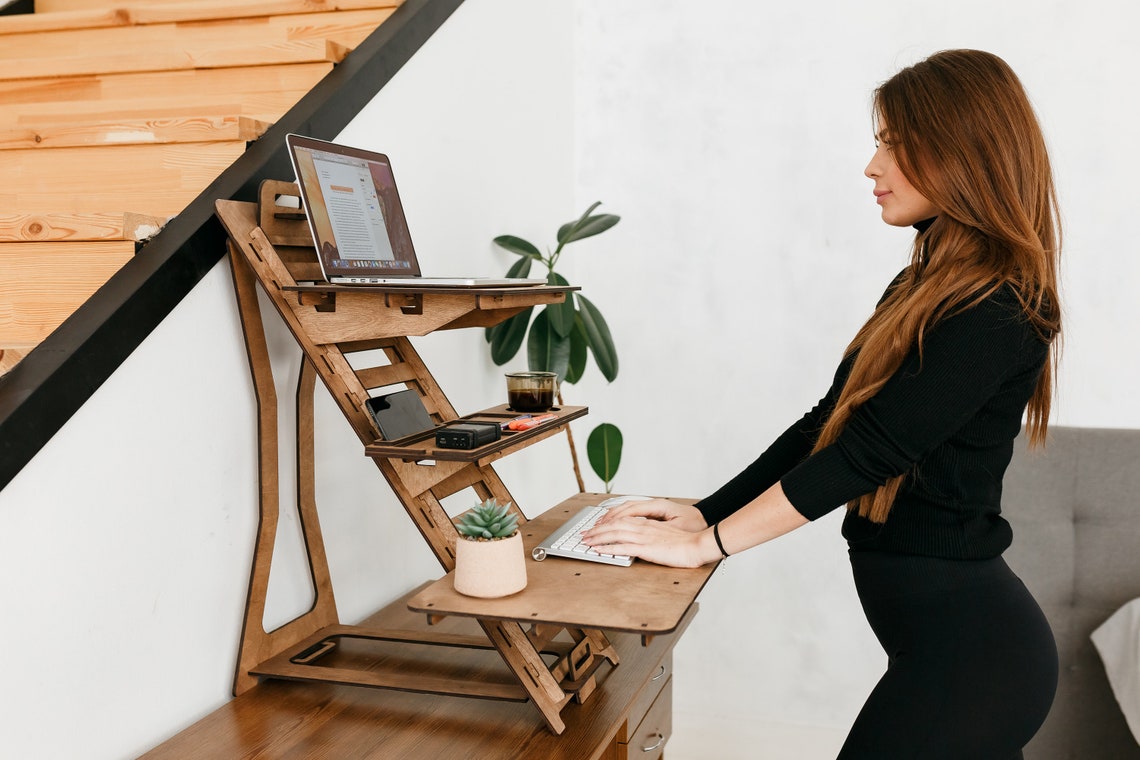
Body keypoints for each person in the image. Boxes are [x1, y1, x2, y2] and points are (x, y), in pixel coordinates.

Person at [584, 49, 1061, 759]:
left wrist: (704, 546)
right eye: (879, 143)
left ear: (965, 153)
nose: (872, 166)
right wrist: (705, 511)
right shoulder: (924, 288)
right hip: (944, 650)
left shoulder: (1000, 304)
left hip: (976, 660)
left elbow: (869, 453)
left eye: (895, 145)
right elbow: (828, 423)